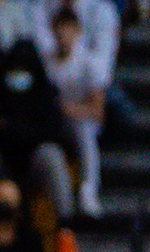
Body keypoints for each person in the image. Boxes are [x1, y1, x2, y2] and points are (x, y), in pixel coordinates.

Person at [0, 40, 78, 252]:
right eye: (15, 69)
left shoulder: (44, 91)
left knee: (52, 155)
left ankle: (65, 230)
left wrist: (11, 128)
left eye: (24, 70)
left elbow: (52, 132)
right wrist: (17, 132)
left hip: (32, 164)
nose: (19, 75)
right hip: (0, 162)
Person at [45, 6, 107, 218]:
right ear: (52, 31)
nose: (63, 34)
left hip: (82, 120)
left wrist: (71, 110)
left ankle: (88, 191)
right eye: (59, 29)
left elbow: (98, 111)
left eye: (68, 29)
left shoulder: (89, 63)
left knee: (85, 132)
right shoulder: (47, 63)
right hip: (54, 122)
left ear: (78, 31)